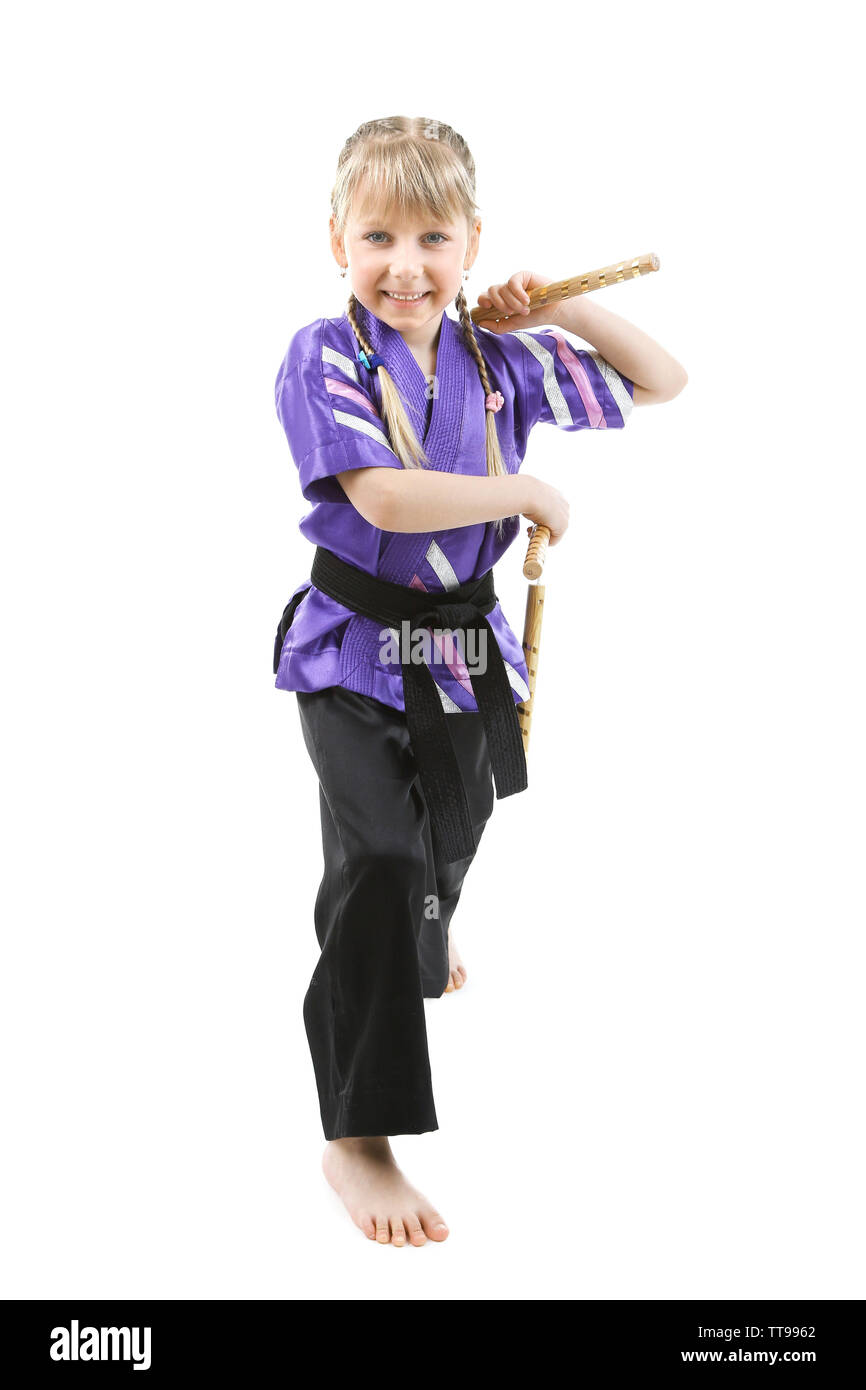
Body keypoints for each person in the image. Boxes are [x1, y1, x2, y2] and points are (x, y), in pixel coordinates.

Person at [272, 115, 687, 1247]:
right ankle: (356, 1132)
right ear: (335, 241)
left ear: (468, 245)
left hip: (458, 658)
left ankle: (417, 921)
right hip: (354, 653)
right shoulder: (325, 355)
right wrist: (522, 496)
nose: (403, 265)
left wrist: (555, 304)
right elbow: (385, 501)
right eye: (377, 237)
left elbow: (661, 380)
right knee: (382, 857)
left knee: (446, 838)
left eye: (431, 238)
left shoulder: (496, 362)